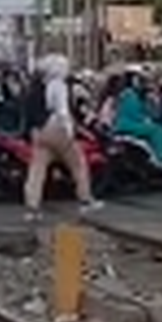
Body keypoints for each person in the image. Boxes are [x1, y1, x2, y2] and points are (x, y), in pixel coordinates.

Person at [22, 54, 103, 220]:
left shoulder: (35, 88)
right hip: (57, 128)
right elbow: (62, 110)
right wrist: (70, 130)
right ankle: (85, 200)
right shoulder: (58, 85)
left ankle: (32, 208)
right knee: (78, 164)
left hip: (39, 131)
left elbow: (28, 112)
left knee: (37, 170)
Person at [113, 67, 162, 167]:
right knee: (156, 130)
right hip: (126, 124)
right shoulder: (128, 94)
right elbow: (133, 113)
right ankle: (161, 159)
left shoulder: (141, 96)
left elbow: (151, 113)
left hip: (136, 122)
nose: (146, 84)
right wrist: (146, 119)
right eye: (143, 81)